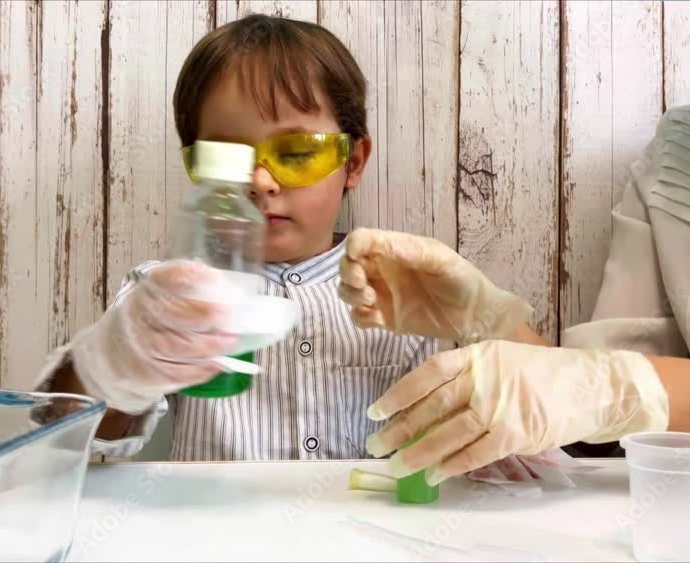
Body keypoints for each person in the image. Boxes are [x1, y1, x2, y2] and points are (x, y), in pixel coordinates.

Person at [338, 0, 690, 486]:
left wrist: (616, 387)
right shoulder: (682, 152)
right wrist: (486, 317)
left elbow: (626, 388)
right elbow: (605, 416)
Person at [32, 15, 528, 462]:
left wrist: (488, 319)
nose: (260, 182)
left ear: (353, 162)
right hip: (210, 529)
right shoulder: (166, 293)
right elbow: (71, 435)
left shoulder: (403, 292)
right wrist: (116, 357)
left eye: (296, 154)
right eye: (227, 158)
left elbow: (510, 428)